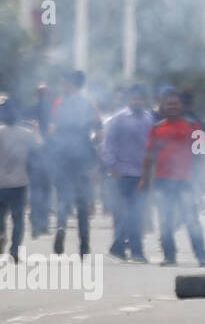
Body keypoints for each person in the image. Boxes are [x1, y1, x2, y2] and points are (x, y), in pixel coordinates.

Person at [141, 90, 205, 267]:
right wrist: (144, 179)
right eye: (168, 104)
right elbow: (149, 156)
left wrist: (202, 179)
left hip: (186, 181)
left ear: (182, 106)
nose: (172, 106)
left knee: (192, 220)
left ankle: (202, 256)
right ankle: (169, 256)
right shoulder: (156, 128)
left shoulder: (195, 126)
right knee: (165, 221)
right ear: (163, 107)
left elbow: (201, 155)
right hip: (163, 181)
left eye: (175, 103)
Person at [49, 70, 101, 256]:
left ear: (70, 84)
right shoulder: (90, 105)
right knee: (82, 204)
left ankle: (61, 227)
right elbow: (98, 133)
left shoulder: (59, 104)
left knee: (63, 198)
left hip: (63, 156)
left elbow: (53, 131)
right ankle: (84, 244)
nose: (62, 86)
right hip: (83, 157)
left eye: (64, 83)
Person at [102, 85, 153, 263]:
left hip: (141, 173)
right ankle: (126, 249)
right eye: (134, 98)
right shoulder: (118, 119)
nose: (137, 101)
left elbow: (151, 146)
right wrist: (111, 166)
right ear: (129, 99)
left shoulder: (148, 119)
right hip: (121, 173)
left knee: (137, 214)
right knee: (123, 214)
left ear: (144, 100)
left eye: (140, 98)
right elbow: (108, 144)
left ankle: (127, 248)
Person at [0, 94, 42, 261]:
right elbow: (38, 151)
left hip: (0, 183)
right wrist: (37, 130)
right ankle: (15, 249)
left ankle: (1, 235)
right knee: (18, 218)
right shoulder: (27, 133)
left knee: (0, 216)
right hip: (20, 182)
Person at [25, 84, 54, 236]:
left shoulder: (51, 112)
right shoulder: (33, 111)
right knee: (38, 191)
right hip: (35, 157)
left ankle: (42, 223)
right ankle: (38, 221)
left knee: (45, 191)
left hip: (48, 157)